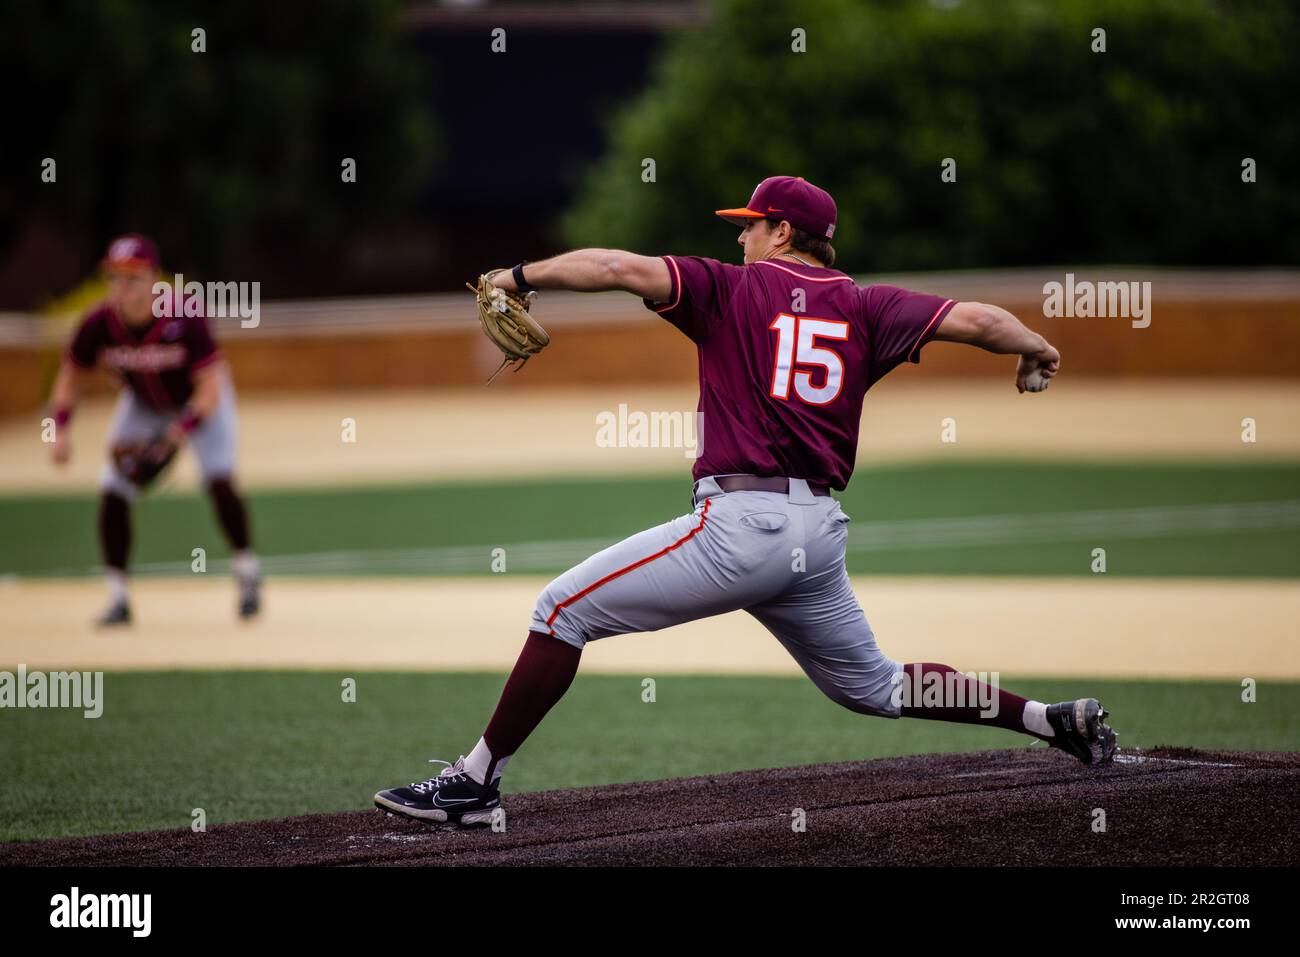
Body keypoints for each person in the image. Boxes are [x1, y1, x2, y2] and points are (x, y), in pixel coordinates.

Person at [374, 176, 1116, 827]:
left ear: (783, 231)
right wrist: (1037, 349)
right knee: (877, 684)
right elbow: (982, 320)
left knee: (561, 611)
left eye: (750, 224)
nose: (739, 236)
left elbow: (612, 265)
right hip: (817, 534)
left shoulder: (732, 289)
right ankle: (1050, 720)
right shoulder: (865, 304)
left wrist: (518, 272)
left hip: (742, 527)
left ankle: (474, 784)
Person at [46, 234, 261, 626]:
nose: (122, 287)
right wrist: (57, 433)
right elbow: (69, 377)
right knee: (113, 489)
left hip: (198, 402)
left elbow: (210, 386)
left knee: (219, 479)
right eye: (114, 277)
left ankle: (247, 570)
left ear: (153, 279)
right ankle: (118, 596)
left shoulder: (184, 316)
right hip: (143, 405)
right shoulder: (98, 324)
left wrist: (178, 433)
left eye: (133, 277)